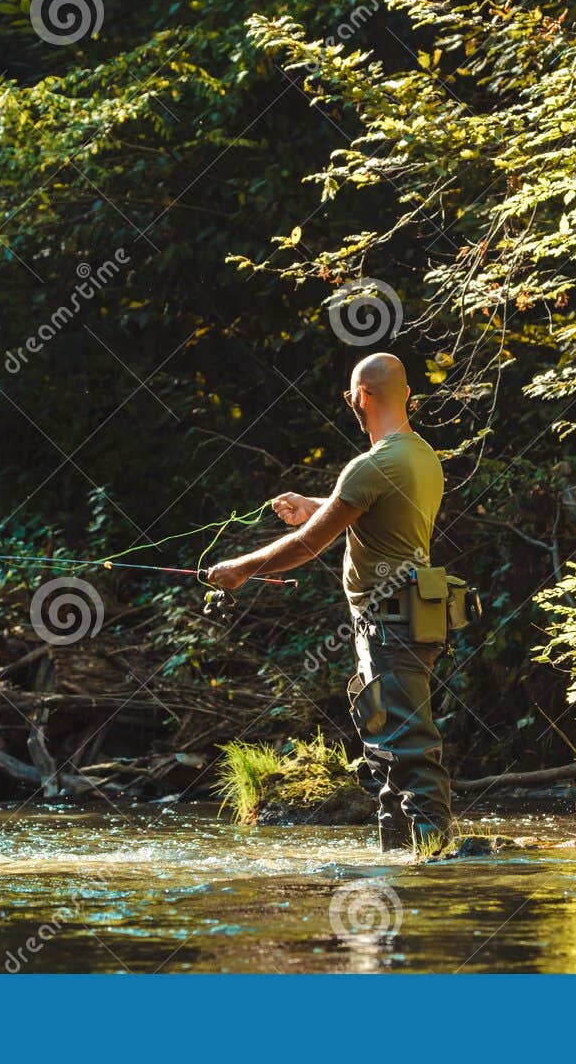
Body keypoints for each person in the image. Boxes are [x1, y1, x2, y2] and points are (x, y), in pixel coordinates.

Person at [205, 352, 452, 852]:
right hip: (409, 615)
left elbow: (306, 546)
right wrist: (316, 506)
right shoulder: (420, 454)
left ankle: (437, 864)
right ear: (405, 394)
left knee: (407, 746)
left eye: (351, 396)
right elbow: (370, 509)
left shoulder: (371, 464)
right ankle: (402, 859)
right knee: (388, 746)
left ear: (359, 398)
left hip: (388, 623)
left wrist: (240, 570)